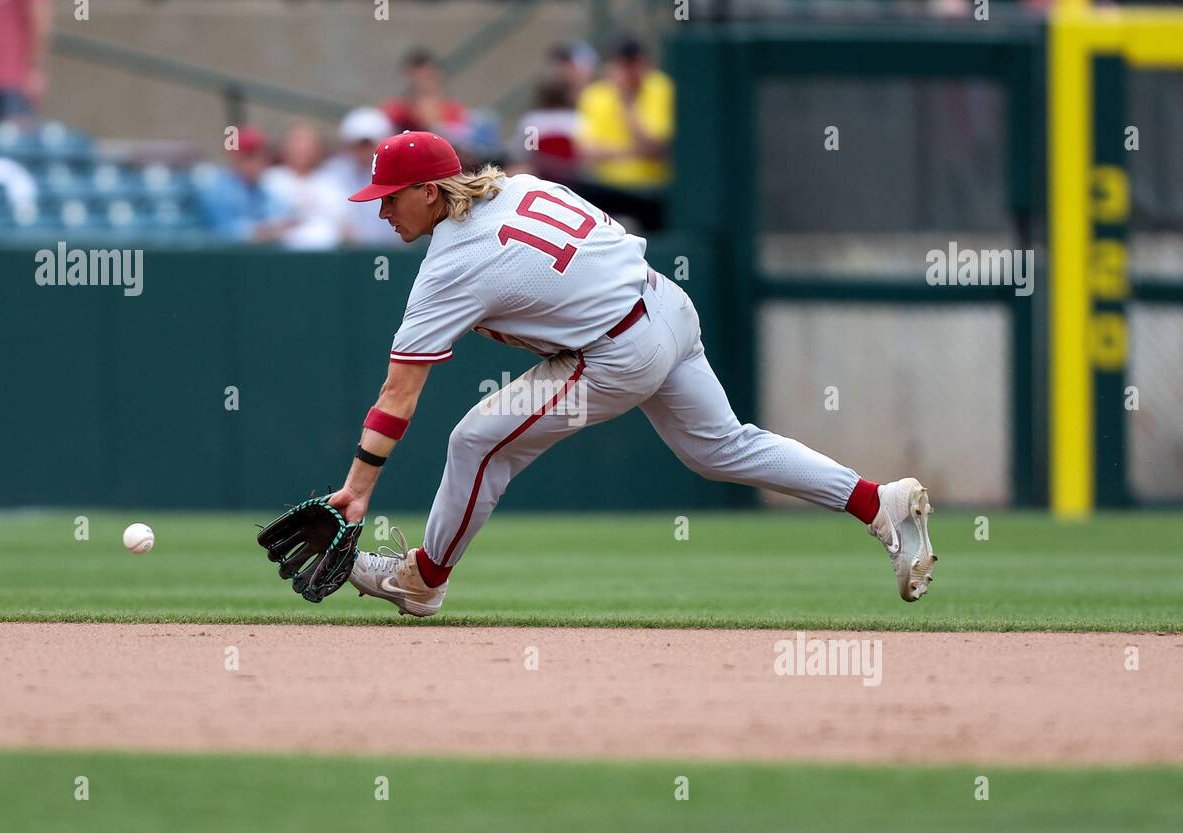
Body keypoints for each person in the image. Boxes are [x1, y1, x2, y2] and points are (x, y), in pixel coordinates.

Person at [325, 131, 937, 617]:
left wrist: (358, 488)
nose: (380, 208)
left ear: (431, 192)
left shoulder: (450, 264)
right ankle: (876, 503)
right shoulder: (520, 186)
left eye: (390, 195)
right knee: (722, 447)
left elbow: (398, 394)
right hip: (666, 306)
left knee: (476, 442)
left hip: (617, 355)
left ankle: (422, 580)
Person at [575, 36, 674, 190]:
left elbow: (655, 146)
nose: (629, 72)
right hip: (605, 186)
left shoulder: (660, 87)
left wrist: (626, 99)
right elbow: (586, 151)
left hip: (652, 185)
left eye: (634, 64)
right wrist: (634, 152)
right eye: (623, 65)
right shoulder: (594, 94)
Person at [315, 107, 401, 247]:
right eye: (358, 144)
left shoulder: (400, 173)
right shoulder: (332, 174)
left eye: (368, 144)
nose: (363, 150)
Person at [198, 126, 291, 243]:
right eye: (248, 157)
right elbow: (223, 232)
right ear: (234, 158)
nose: (255, 163)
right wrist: (263, 230)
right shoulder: (216, 188)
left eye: (261, 157)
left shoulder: (264, 190)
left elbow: (281, 218)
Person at [261, 122, 343, 250]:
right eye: (296, 142)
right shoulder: (268, 179)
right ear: (285, 147)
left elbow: (340, 222)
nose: (301, 149)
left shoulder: (330, 182)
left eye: (307, 144)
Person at [380, 48, 470, 141]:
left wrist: (434, 124)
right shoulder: (397, 109)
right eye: (419, 76)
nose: (424, 81)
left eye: (428, 75)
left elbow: (460, 138)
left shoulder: (453, 110)